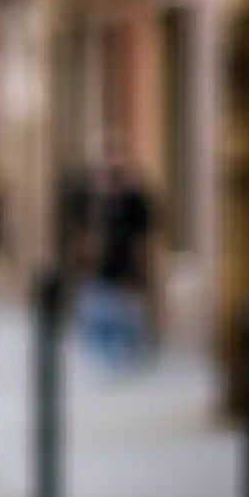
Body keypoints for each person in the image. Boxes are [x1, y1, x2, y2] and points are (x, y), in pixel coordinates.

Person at [82, 143, 156, 367]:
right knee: (103, 307)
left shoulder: (133, 200)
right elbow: (94, 232)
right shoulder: (102, 201)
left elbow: (143, 234)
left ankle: (131, 347)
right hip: (106, 265)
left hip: (126, 263)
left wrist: (140, 261)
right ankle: (110, 350)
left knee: (128, 308)